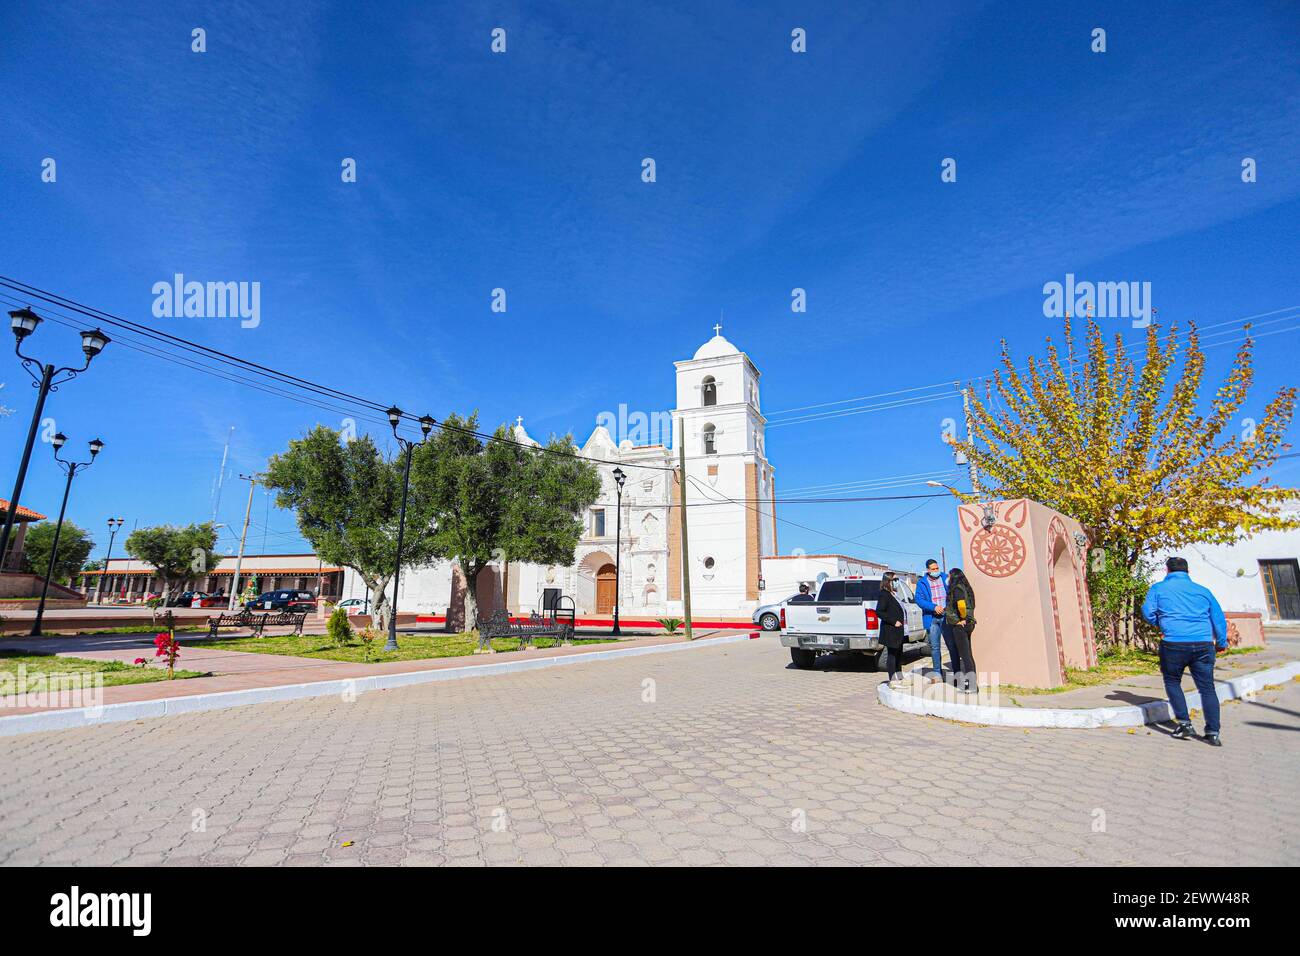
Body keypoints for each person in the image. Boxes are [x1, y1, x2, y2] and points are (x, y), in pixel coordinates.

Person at [1141, 556, 1228, 746]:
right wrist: (1221, 642)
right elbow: (1218, 619)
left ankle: (1185, 723)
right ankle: (1213, 733)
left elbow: (1147, 612)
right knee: (1207, 688)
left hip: (1173, 643)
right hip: (1204, 644)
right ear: (1188, 572)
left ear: (1167, 571)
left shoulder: (1158, 589)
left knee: (1172, 681)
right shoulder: (1203, 591)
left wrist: (1163, 624)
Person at [915, 558, 959, 680]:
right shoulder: (922, 583)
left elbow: (954, 593)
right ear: (928, 570)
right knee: (935, 647)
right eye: (933, 569)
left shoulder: (945, 578)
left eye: (937, 568)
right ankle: (937, 674)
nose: (936, 571)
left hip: (946, 617)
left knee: (952, 645)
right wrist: (933, 607)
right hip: (932, 618)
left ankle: (957, 672)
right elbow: (919, 600)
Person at [945, 568, 977, 692]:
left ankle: (972, 686)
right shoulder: (966, 587)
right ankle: (972, 684)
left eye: (949, 575)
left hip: (961, 626)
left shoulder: (957, 588)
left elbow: (961, 605)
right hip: (969, 624)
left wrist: (962, 618)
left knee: (965, 656)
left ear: (953, 576)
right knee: (968, 654)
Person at [875, 572, 907, 681]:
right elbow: (879, 611)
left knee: (899, 654)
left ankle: (899, 675)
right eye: (895, 580)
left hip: (898, 630)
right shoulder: (884, 594)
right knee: (892, 655)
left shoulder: (893, 594)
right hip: (891, 629)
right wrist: (894, 622)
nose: (897, 582)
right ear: (888, 581)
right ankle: (892, 679)